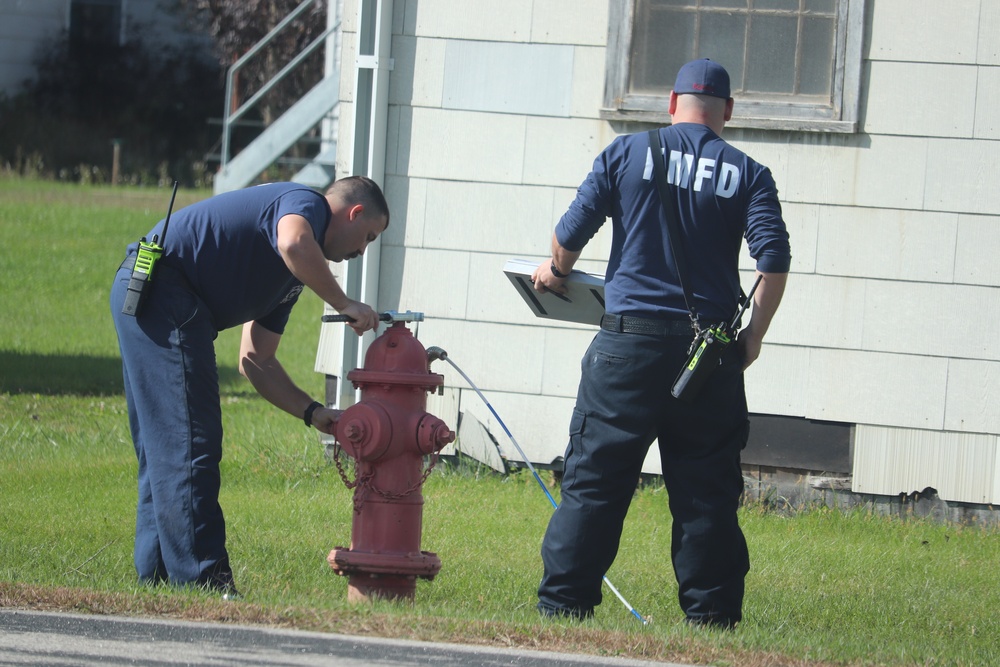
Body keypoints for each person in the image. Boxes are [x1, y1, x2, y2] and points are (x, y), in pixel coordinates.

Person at [531, 59, 790, 627]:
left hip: (626, 350)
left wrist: (556, 270)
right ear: (727, 110)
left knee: (594, 483)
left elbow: (570, 235)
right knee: (706, 494)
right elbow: (773, 259)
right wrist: (753, 338)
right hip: (706, 359)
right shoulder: (749, 173)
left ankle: (563, 608)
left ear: (672, 104)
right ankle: (711, 620)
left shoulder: (626, 152)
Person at [109, 176, 389, 597]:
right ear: (355, 212)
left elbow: (255, 360)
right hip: (162, 287)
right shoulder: (304, 203)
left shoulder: (291, 276)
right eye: (367, 236)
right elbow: (294, 242)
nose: (362, 251)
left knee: (164, 447)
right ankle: (204, 584)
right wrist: (344, 302)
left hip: (154, 293)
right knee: (189, 443)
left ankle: (158, 580)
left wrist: (313, 413)